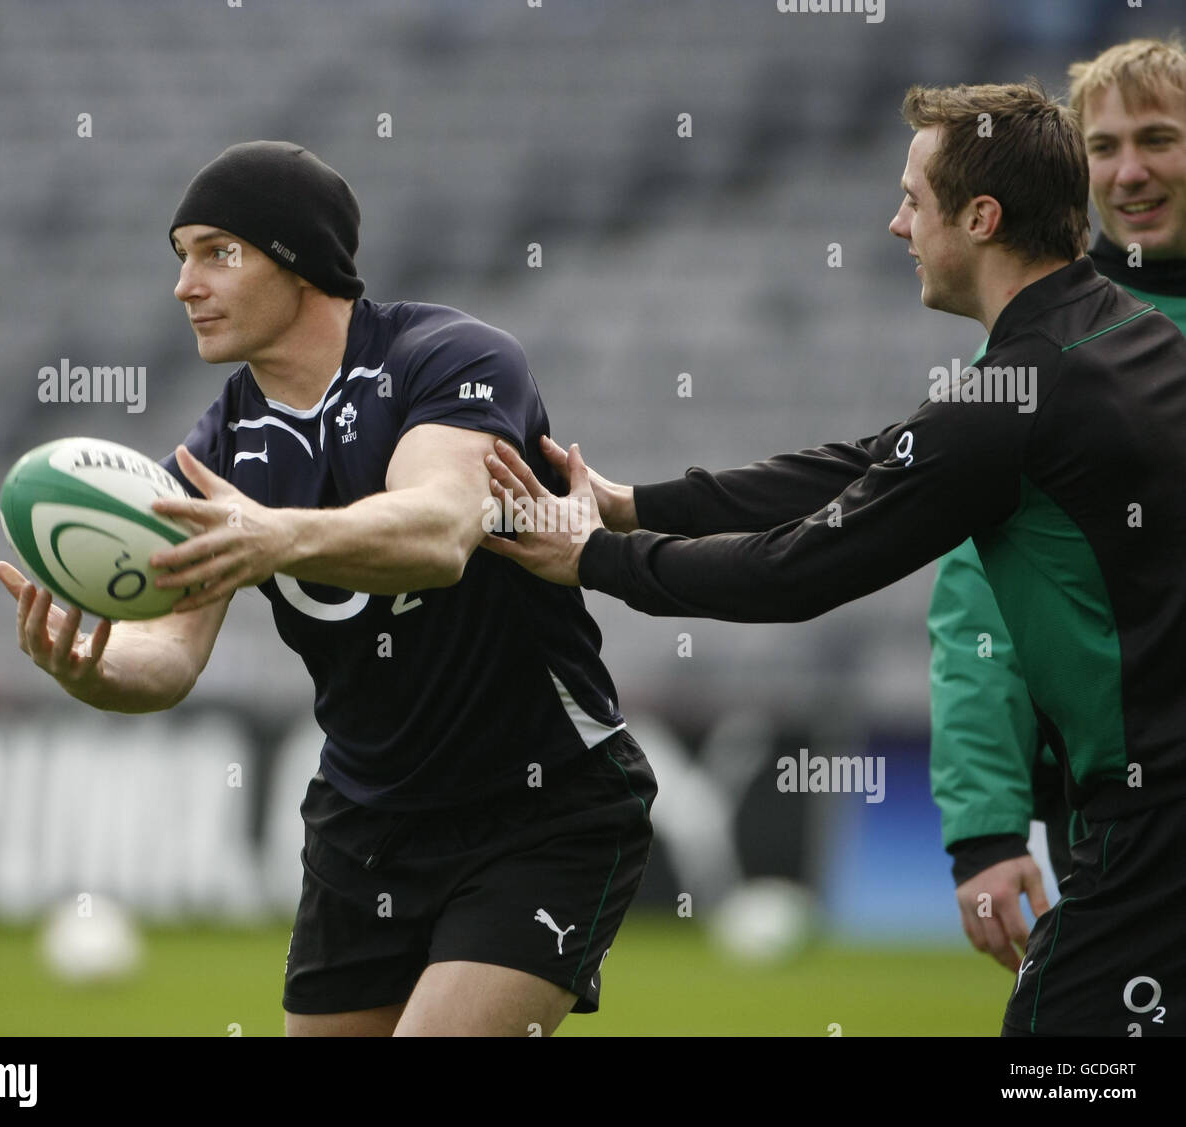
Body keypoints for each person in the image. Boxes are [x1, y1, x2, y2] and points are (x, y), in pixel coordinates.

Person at [483, 82, 1186, 1037]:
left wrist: (596, 559)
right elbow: (868, 463)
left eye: (912, 200)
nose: (896, 224)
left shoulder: (1020, 396)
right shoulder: (1113, 335)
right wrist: (638, 502)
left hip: (1155, 822)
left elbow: (794, 572)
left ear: (981, 219)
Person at [0, 141, 655, 1037]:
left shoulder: (450, 358)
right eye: (181, 255)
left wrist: (270, 535)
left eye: (217, 252)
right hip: (366, 820)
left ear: (300, 263)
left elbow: (439, 532)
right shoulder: (223, 441)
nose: (185, 285)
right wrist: (93, 669)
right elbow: (172, 654)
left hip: (541, 805)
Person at [927, 37, 1186, 976]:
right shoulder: (1040, 352)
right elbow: (978, 608)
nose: (1129, 171)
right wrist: (987, 828)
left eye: (1158, 139)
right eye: (1104, 146)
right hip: (1113, 813)